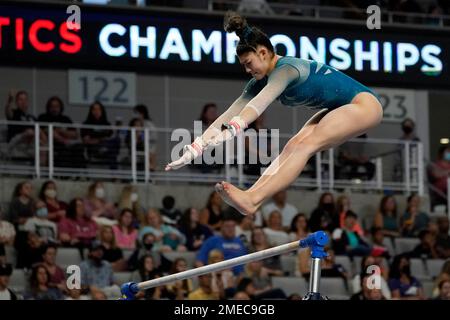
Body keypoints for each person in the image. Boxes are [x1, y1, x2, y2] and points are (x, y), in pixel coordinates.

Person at [165, 12, 383, 219]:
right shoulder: (258, 82)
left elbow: (259, 104)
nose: (247, 70)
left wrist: (235, 127)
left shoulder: (285, 69)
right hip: (339, 107)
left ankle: (252, 199)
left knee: (306, 145)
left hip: (364, 104)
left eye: (248, 64)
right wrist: (196, 147)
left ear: (262, 52)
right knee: (294, 144)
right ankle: (251, 197)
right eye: (243, 66)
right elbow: (231, 112)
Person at [37, 96, 84, 168]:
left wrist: (61, 131)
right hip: (50, 143)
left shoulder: (65, 119)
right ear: (48, 107)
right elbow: (41, 130)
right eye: (52, 106)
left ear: (60, 107)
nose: (54, 109)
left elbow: (75, 134)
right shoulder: (43, 117)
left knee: (78, 148)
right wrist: (55, 133)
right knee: (51, 132)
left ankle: (79, 174)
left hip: (66, 144)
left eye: (56, 106)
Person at [81, 101, 120, 169]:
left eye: (98, 109)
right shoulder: (86, 124)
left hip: (107, 149)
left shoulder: (107, 124)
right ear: (91, 111)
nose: (96, 111)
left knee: (116, 141)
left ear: (102, 111)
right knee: (110, 150)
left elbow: (110, 137)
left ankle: (115, 177)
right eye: (94, 109)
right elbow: (86, 141)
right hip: (94, 149)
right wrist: (100, 140)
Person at [133, 104, 158, 171]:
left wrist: (142, 137)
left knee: (151, 164)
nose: (135, 115)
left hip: (150, 146)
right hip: (143, 147)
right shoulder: (138, 123)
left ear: (142, 113)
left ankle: (151, 172)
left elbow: (153, 136)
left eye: (137, 113)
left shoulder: (148, 123)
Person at [427, 145, 450, 210]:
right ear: (442, 153)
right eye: (447, 152)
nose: (449, 153)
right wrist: (447, 171)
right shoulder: (436, 164)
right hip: (441, 191)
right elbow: (436, 175)